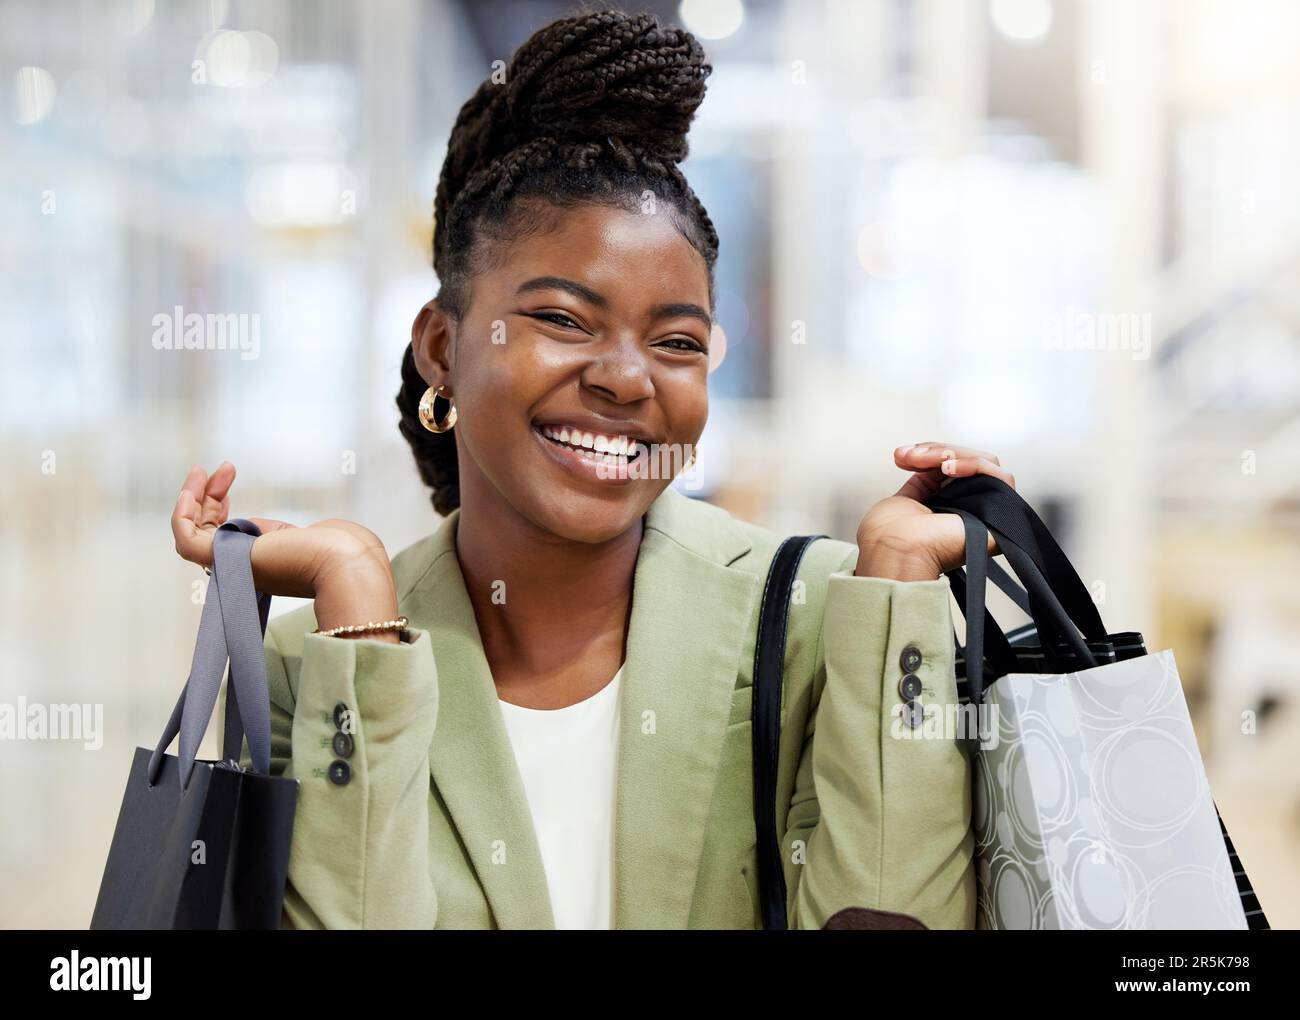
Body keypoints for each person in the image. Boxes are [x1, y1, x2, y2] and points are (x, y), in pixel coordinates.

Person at [170, 8, 1015, 930]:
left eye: (676, 340)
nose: (624, 377)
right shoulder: (318, 657)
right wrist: (357, 589)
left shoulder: (820, 613)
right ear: (444, 348)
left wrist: (896, 574)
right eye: (565, 321)